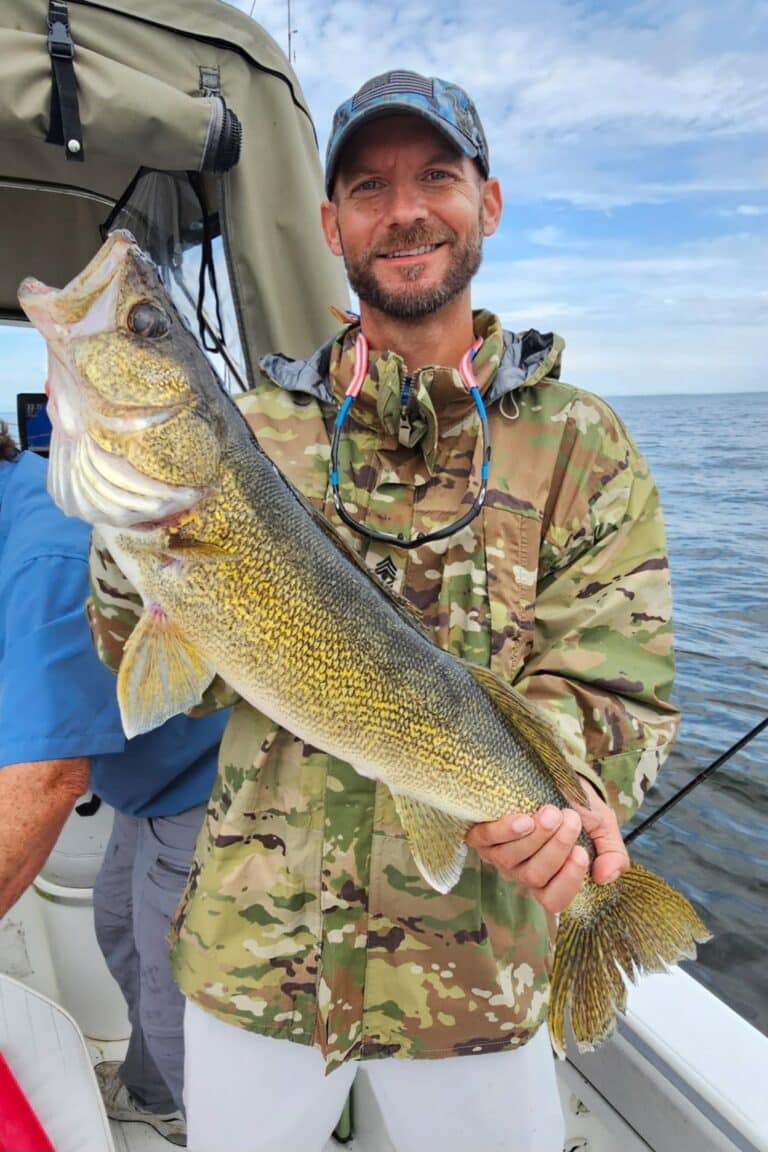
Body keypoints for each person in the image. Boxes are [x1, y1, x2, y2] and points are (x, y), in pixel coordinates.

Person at [88, 71, 680, 1152]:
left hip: (478, 980)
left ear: (487, 203)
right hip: (257, 965)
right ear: (331, 226)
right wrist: (131, 534)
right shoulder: (250, 433)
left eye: (436, 178)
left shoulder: (583, 444)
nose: (405, 209)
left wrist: (569, 806)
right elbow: (149, 664)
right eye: (369, 186)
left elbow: (618, 680)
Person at [0, 421, 228, 1146]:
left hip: (202, 782)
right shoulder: (26, 494)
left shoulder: (44, 553)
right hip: (147, 778)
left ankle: (215, 1126)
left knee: (175, 1001)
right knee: (118, 927)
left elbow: (48, 780)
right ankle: (149, 1091)